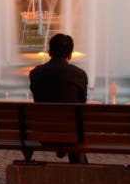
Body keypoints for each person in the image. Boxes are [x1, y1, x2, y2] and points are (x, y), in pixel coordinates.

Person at [29, 33, 88, 164]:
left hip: (43, 133)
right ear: (70, 55)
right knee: (75, 127)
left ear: (49, 52)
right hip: (71, 134)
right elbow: (82, 102)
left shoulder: (35, 73)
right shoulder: (79, 74)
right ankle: (79, 167)